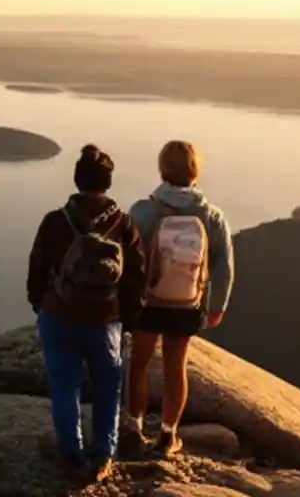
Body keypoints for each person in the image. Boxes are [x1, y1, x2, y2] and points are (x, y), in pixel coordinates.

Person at [28, 145, 148, 482]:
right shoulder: (125, 225)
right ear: (108, 183)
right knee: (108, 388)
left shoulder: (55, 221)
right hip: (104, 321)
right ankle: (102, 455)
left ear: (77, 180)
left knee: (65, 386)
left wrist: (42, 305)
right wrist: (128, 317)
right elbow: (136, 277)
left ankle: (71, 453)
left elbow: (37, 270)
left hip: (60, 317)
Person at [125, 140, 235, 457]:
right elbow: (223, 266)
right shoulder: (212, 216)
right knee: (176, 367)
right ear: (194, 172)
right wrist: (217, 306)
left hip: (148, 301)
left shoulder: (143, 211)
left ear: (163, 170)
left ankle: (134, 428)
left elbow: (126, 258)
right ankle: (168, 436)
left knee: (139, 364)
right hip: (187, 303)